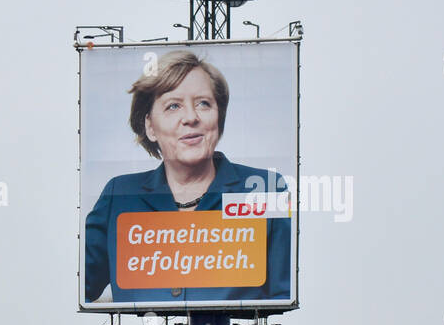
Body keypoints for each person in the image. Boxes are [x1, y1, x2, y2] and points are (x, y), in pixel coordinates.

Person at [83, 50, 291, 307]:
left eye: (203, 103)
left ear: (219, 116)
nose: (191, 117)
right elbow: (75, 285)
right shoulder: (119, 195)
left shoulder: (266, 190)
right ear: (150, 126)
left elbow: (285, 294)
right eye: (173, 106)